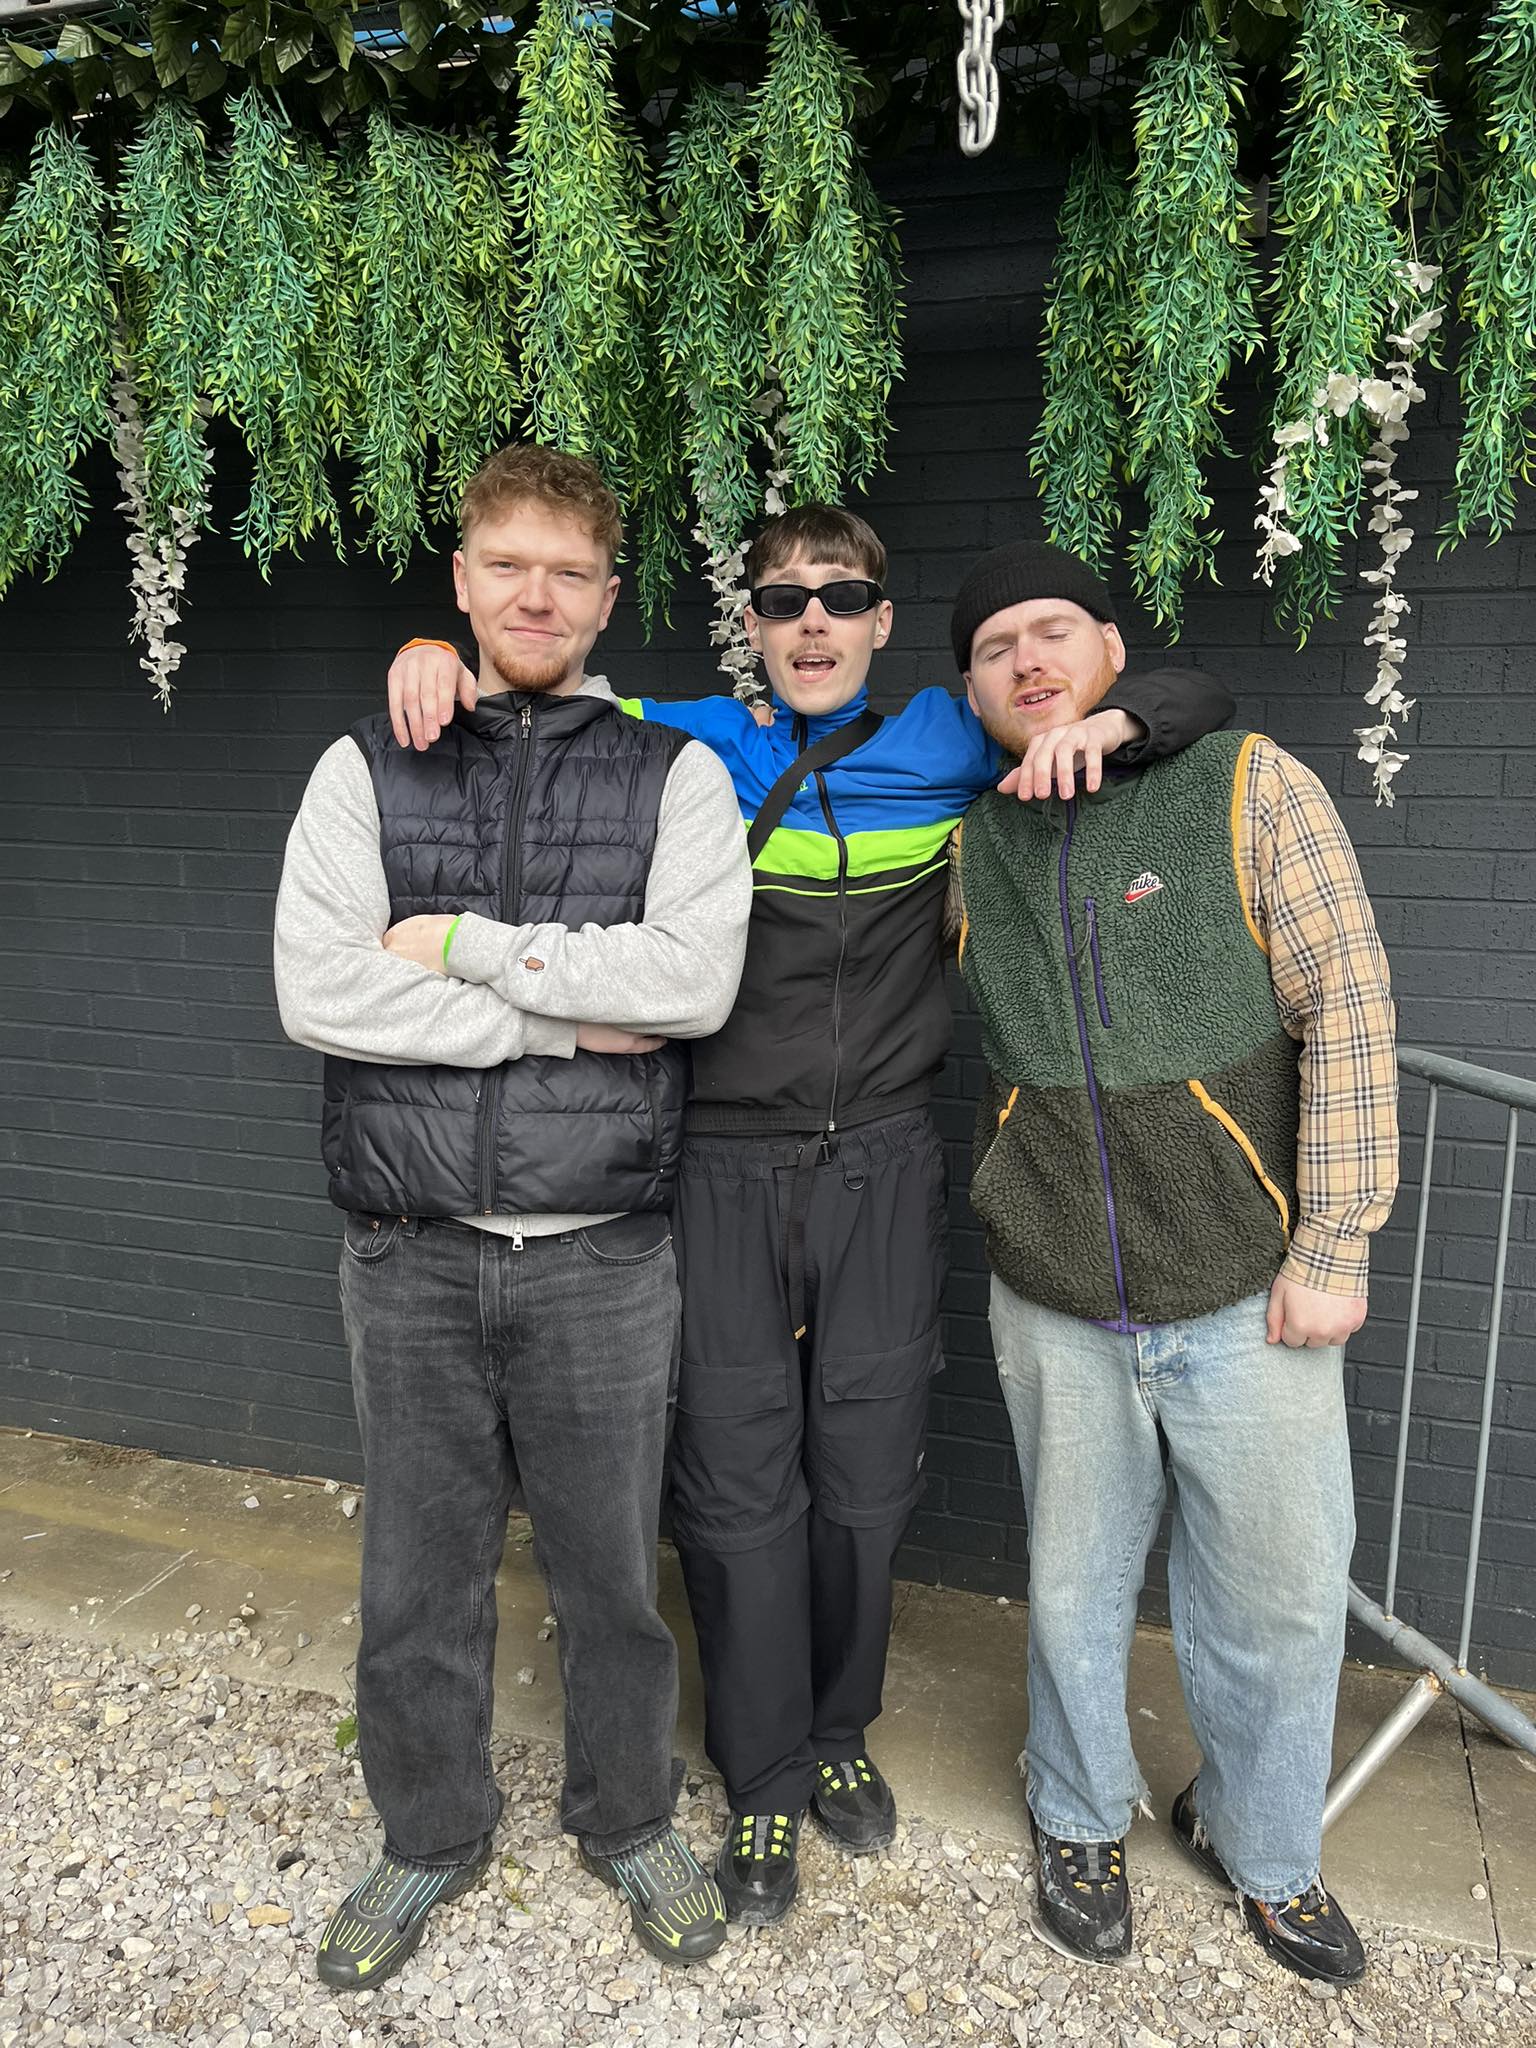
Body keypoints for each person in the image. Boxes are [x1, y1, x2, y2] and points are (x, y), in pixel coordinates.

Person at [386, 506, 1234, 1926]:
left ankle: (840, 1732)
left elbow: (1191, 695)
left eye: (841, 597)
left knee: (866, 1475)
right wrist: (435, 654)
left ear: (882, 622)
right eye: (784, 602)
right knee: (734, 1482)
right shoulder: (688, 741)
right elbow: (539, 688)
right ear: (754, 627)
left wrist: (1120, 716)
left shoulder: (948, 739)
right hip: (717, 1164)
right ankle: (763, 1771)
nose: (815, 623)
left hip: (884, 1166)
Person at [273, 444, 752, 1988]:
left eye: (569, 572)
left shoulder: (676, 778)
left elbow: (690, 985)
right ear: (462, 582)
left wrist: (453, 946)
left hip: (602, 1256)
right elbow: (317, 991)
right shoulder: (367, 766)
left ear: (608, 599)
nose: (537, 596)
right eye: (508, 566)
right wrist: (557, 1016)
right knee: (417, 1577)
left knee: (613, 1576)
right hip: (408, 1252)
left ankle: (628, 1815)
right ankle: (428, 1833)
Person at [949, 540, 1398, 1983]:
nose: (1028, 659)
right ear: (971, 691)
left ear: (1112, 651)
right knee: (1073, 1585)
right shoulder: (971, 839)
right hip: (1056, 1286)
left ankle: (1267, 1851)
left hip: (1249, 1288)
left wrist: (1335, 1241)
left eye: (1053, 631)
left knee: (1279, 1595)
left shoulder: (1253, 786)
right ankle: (1076, 1813)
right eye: (996, 646)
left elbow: (1349, 1010)